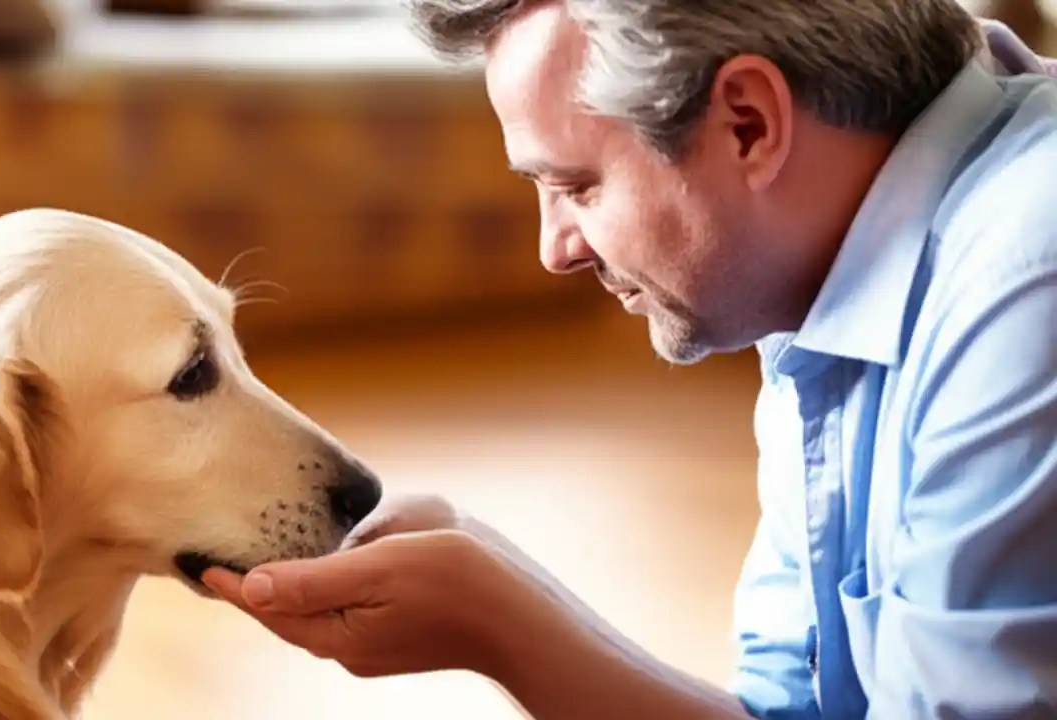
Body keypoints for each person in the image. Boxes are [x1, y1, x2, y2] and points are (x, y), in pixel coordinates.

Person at [202, 1, 1057, 717]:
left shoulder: (1029, 284)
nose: (555, 249)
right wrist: (503, 590)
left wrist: (505, 631)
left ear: (749, 123)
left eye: (576, 187)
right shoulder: (819, 263)